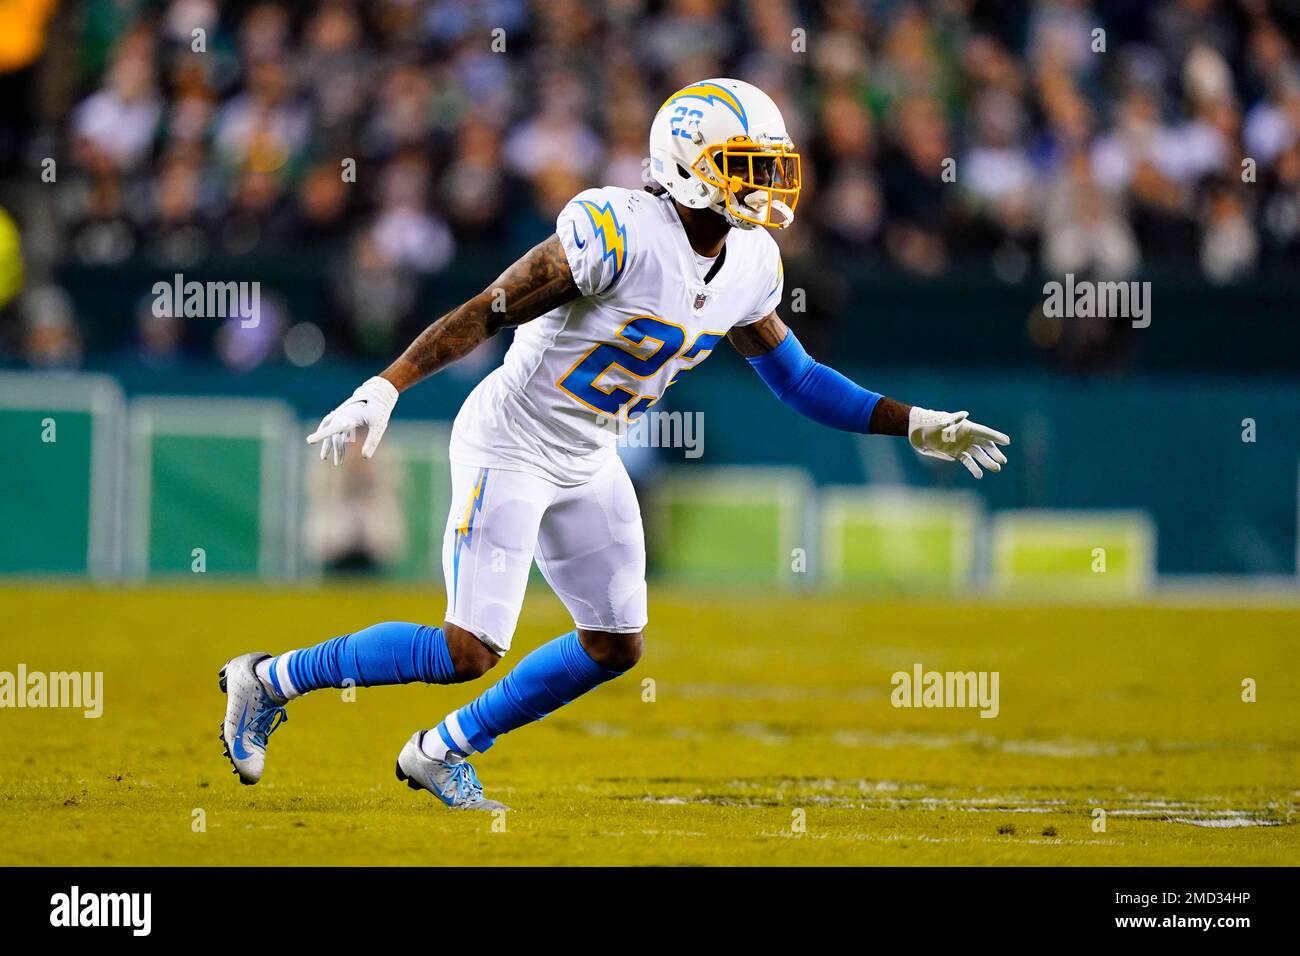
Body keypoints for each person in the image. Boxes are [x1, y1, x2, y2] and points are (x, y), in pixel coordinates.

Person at [218, 79, 1010, 810]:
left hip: (590, 455)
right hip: (513, 442)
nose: (762, 184)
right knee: (468, 647)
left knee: (614, 643)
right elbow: (488, 308)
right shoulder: (617, 230)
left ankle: (442, 748)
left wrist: (915, 422)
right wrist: (387, 384)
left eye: (769, 166)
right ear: (687, 165)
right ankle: (270, 679)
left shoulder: (752, 264)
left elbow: (798, 380)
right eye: (743, 165)